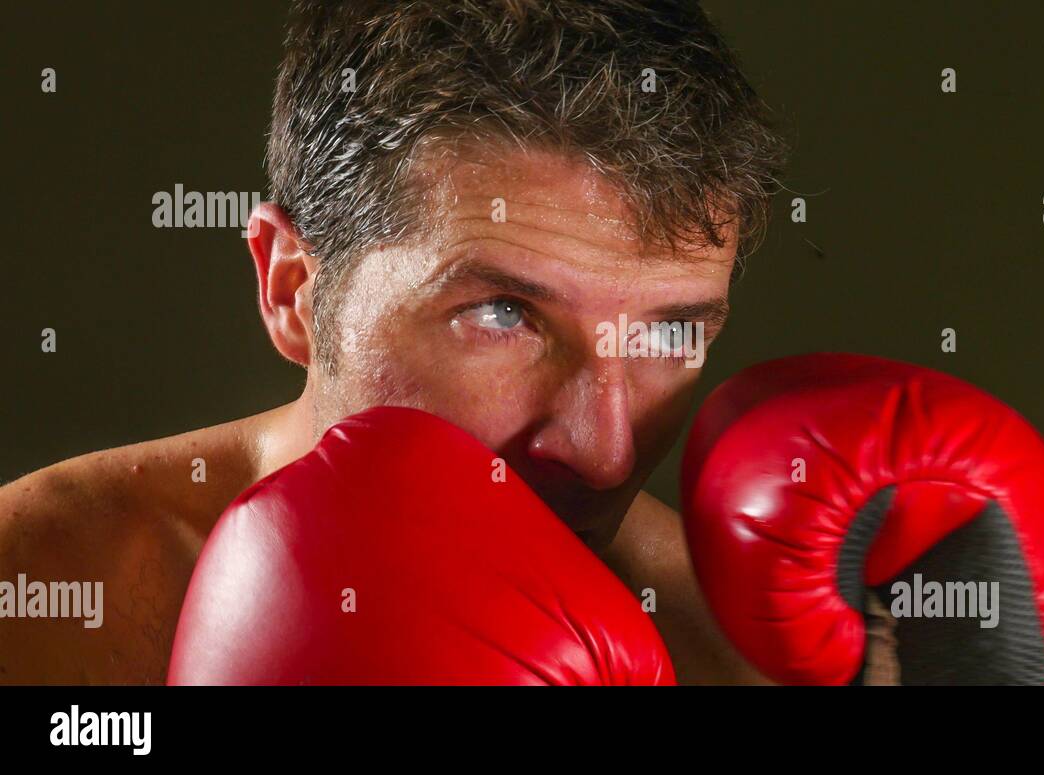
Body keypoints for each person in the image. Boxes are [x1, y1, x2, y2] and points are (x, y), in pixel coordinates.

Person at [0, 0, 787, 685]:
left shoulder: (739, 656)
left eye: (670, 331)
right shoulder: (40, 594)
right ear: (291, 290)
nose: (606, 453)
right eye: (504, 313)